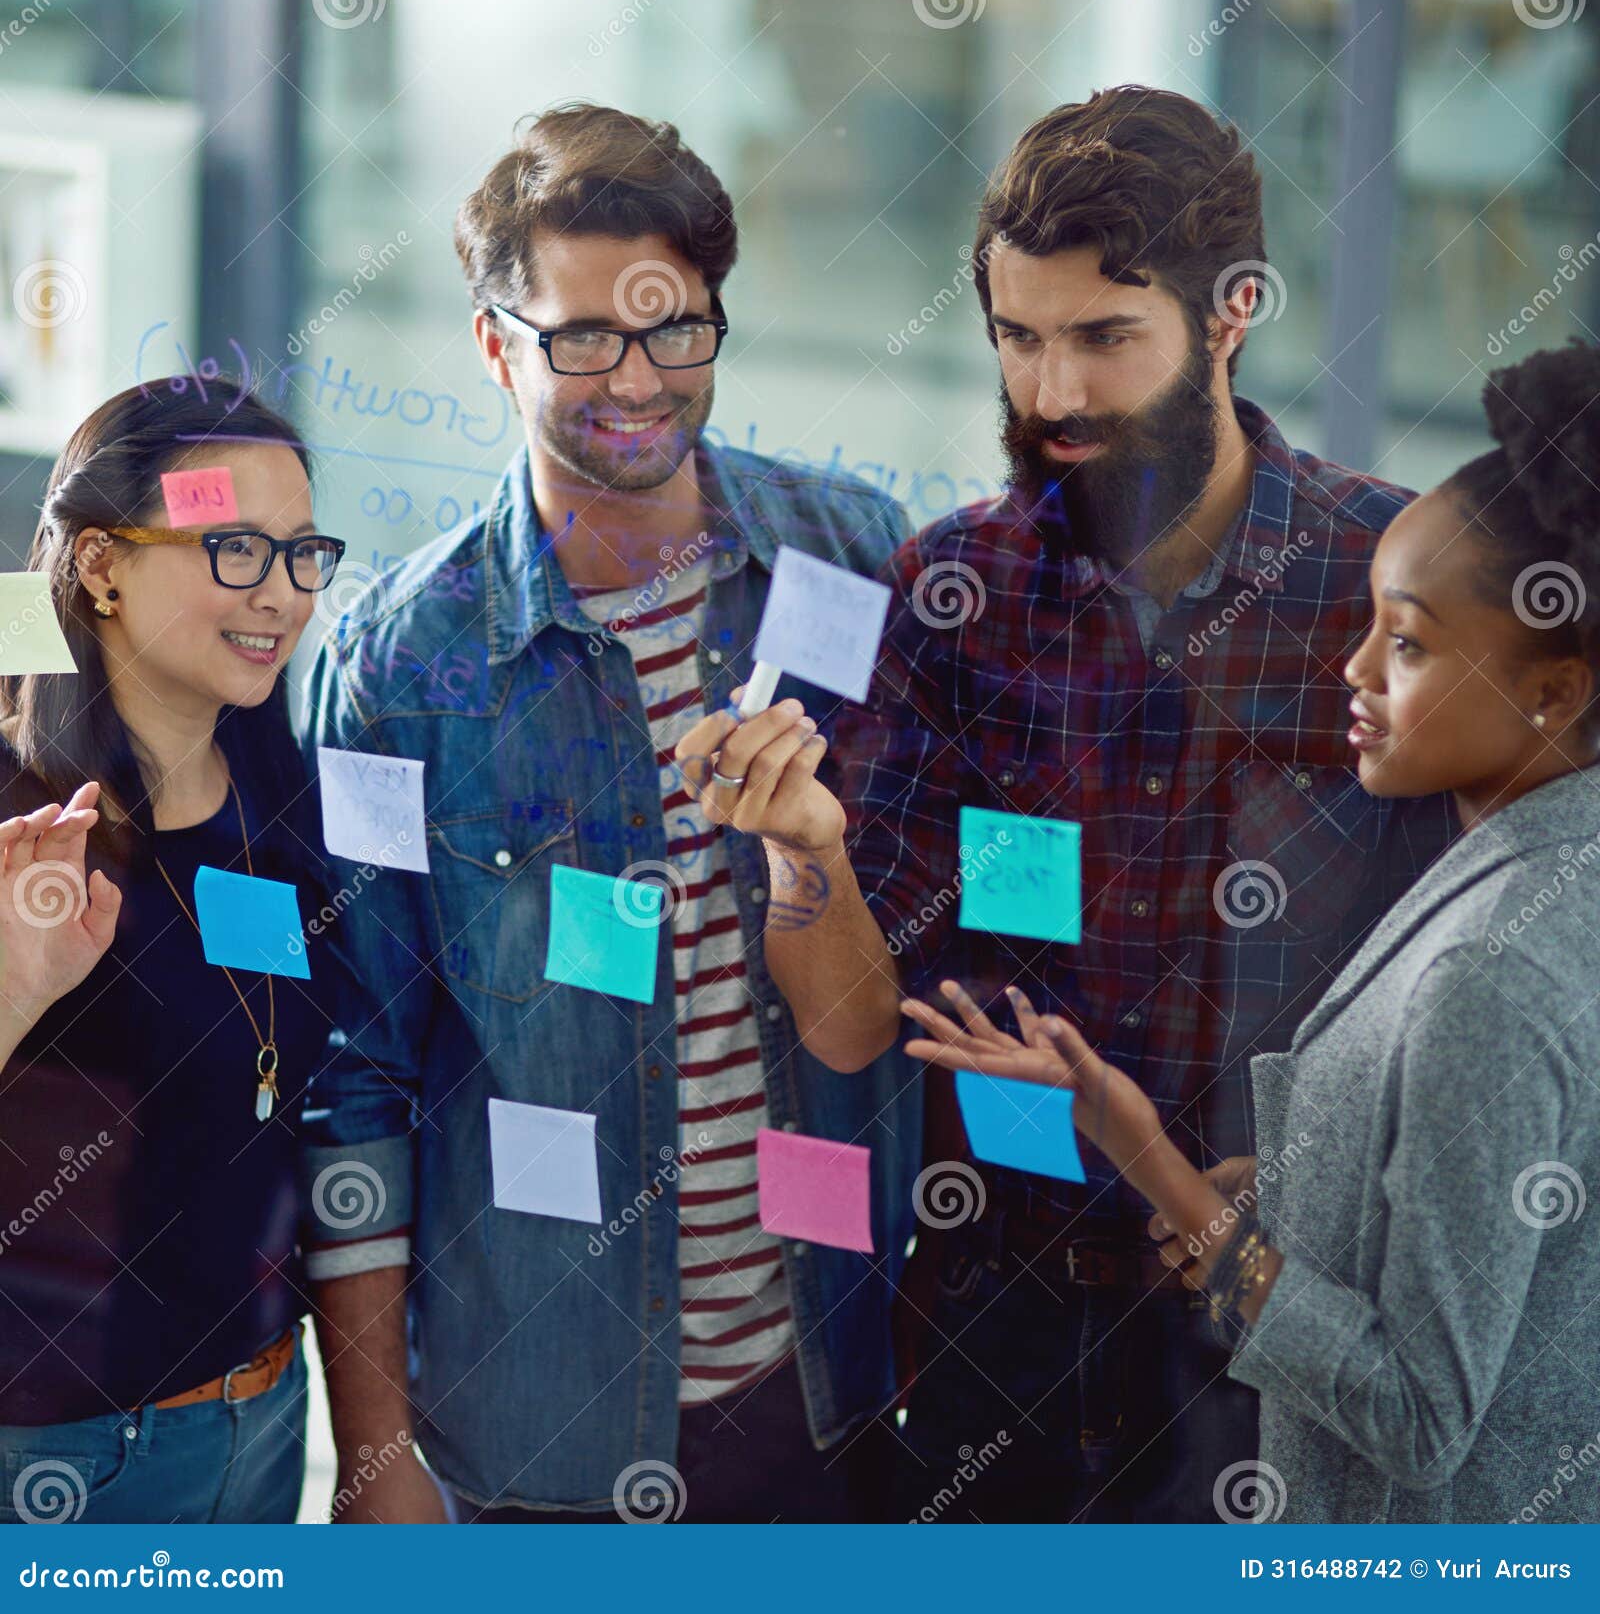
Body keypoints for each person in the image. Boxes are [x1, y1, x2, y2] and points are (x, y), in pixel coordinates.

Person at [674, 84, 1458, 1522]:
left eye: (1105, 338)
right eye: (1018, 339)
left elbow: (1494, 962)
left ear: (1230, 312)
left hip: (1288, 1317)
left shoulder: (1389, 579)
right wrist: (808, 854)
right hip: (1003, 1328)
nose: (1054, 396)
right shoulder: (953, 593)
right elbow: (851, 1021)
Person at [299, 102, 918, 1522]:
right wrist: (378, 1460)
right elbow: (358, 1081)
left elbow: (895, 1005)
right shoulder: (401, 665)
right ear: (492, 342)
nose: (635, 379)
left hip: (828, 1388)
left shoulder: (857, 563)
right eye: (582, 338)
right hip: (540, 1428)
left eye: (676, 328)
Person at [900, 337, 1600, 1525]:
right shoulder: (1544, 874)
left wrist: (1153, 1164)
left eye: (1410, 641)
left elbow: (1416, 1412)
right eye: (1372, 624)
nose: (1355, 667)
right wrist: (1277, 1188)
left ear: (1551, 690)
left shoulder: (1490, 963)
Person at [0, 380, 344, 1522]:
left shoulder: (277, 783)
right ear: (98, 566)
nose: (283, 595)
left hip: (260, 1415)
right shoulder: (15, 803)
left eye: (303, 553)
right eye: (235, 548)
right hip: (59, 1454)